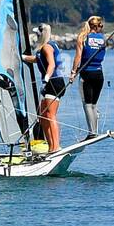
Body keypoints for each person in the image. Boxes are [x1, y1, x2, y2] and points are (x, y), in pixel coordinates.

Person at [23, 24, 68, 153]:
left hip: (54, 83)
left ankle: (56, 147)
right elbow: (37, 59)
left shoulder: (47, 46)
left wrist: (46, 79)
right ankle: (50, 147)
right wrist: (23, 57)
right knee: (42, 116)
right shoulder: (42, 48)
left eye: (37, 34)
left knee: (50, 115)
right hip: (50, 83)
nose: (36, 36)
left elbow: (52, 64)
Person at [71, 15, 107, 140]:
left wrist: (73, 72)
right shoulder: (103, 39)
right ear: (98, 26)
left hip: (87, 73)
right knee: (94, 105)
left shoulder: (83, 37)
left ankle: (92, 132)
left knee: (87, 104)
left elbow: (78, 57)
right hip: (99, 74)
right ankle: (95, 130)